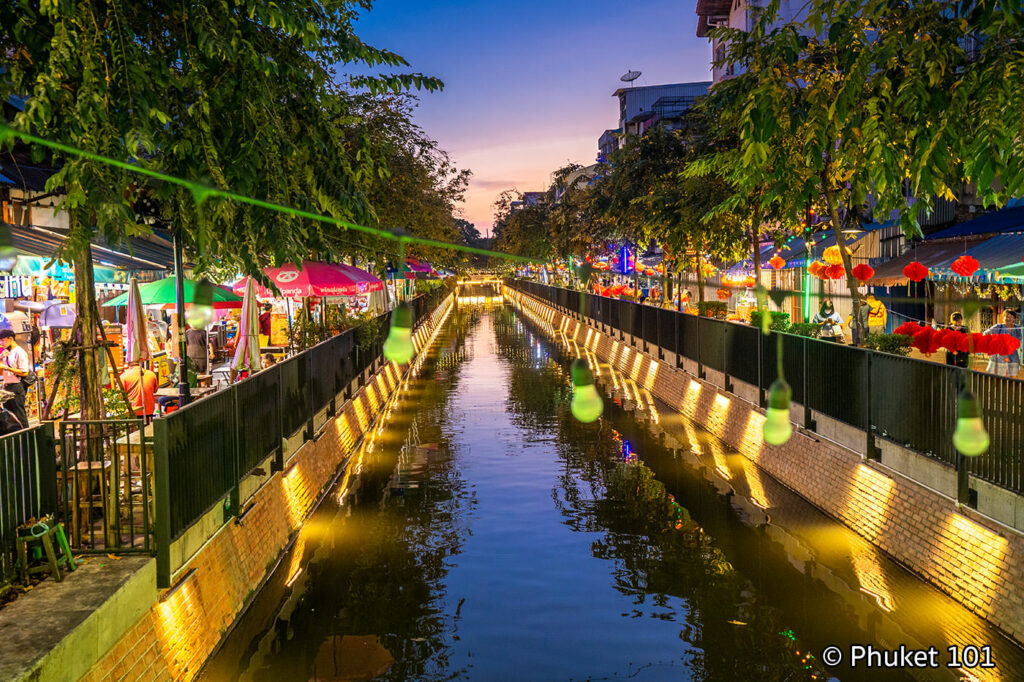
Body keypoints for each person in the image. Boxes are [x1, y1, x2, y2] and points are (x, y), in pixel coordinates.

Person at [0, 329, 30, 429]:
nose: (1, 343)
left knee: (20, 415)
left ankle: (27, 437)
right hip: (7, 387)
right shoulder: (6, 352)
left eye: (3, 340)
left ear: (11, 339)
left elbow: (24, 371)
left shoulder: (19, 352)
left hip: (16, 386)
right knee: (10, 417)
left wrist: (7, 368)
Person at [984, 309, 1023, 377]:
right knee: (999, 377)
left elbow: (1019, 339)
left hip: (1013, 356)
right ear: (1003, 317)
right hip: (999, 356)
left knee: (1012, 377)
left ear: (1014, 318)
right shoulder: (998, 327)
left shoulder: (1017, 328)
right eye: (1006, 316)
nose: (1008, 318)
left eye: (1010, 317)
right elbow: (985, 334)